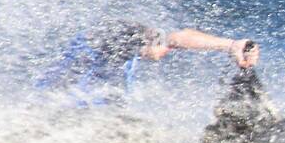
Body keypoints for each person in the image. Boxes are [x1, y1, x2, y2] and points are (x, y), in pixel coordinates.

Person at [36, 21, 259, 107]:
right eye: (157, 45)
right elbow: (173, 40)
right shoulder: (96, 50)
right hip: (63, 119)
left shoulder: (124, 54)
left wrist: (230, 45)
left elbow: (177, 37)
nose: (162, 53)